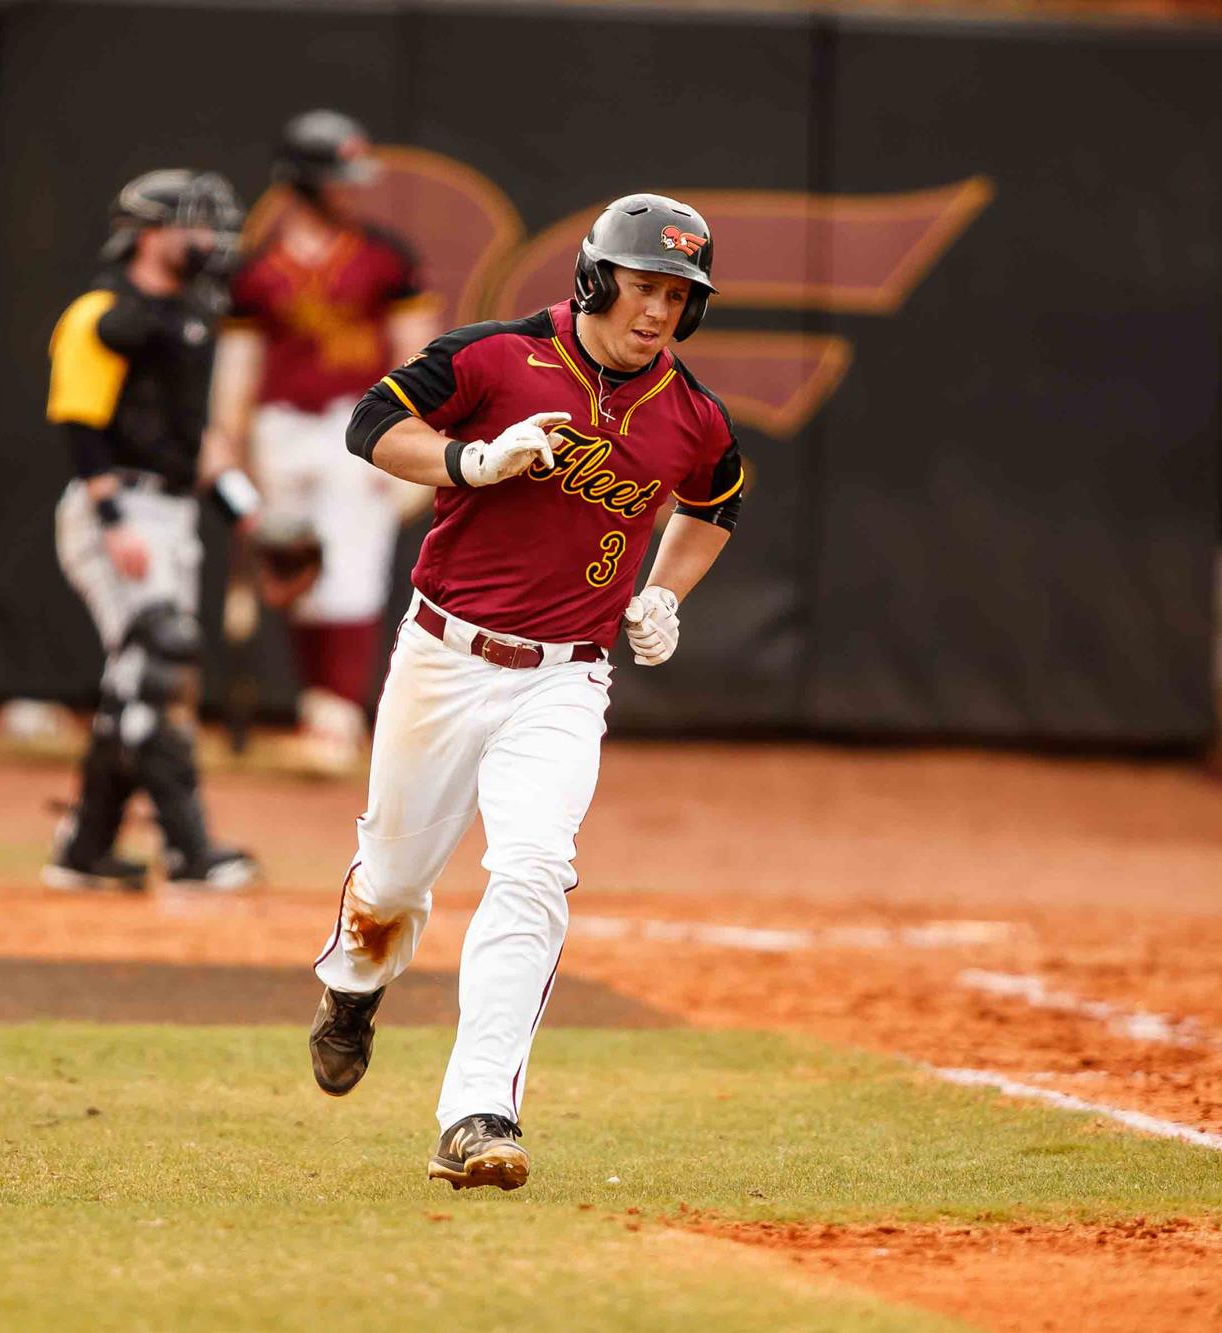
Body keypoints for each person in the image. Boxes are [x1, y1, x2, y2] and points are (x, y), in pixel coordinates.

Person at [305, 194, 744, 1190]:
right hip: (442, 654)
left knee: (535, 867)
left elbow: (717, 501)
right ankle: (352, 984)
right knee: (392, 884)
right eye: (642, 287)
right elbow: (371, 424)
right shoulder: (495, 356)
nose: (657, 312)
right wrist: (469, 457)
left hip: (564, 677)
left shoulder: (691, 415)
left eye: (678, 295)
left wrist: (662, 593)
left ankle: (477, 1111)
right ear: (595, 278)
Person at [40, 170, 263, 892]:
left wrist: (244, 512)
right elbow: (80, 424)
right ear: (147, 233)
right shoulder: (102, 313)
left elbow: (190, 441)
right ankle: (190, 848)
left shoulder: (191, 319)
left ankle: (84, 847)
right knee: (158, 663)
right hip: (118, 507)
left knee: (136, 681)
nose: (208, 240)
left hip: (173, 509)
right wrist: (111, 522)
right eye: (191, 224)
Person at [209, 110, 440, 772]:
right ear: (301, 181)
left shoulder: (386, 258)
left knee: (351, 563)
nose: (350, 189)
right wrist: (230, 442)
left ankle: (339, 714)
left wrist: (414, 434)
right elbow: (238, 368)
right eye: (338, 178)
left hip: (359, 422)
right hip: (281, 428)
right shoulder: (255, 272)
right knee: (296, 567)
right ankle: (320, 707)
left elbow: (418, 352)